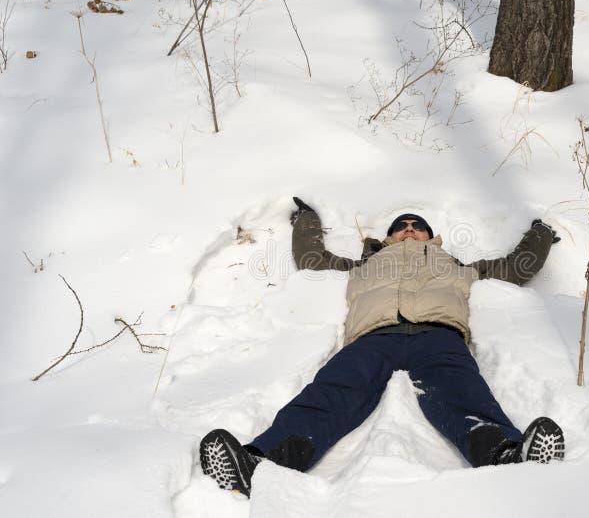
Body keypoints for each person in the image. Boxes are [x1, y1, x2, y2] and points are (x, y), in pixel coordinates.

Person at [199, 198, 565, 497]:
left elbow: (516, 267)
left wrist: (542, 234)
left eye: (416, 225)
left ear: (429, 236)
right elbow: (312, 260)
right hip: (373, 339)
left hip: (438, 337)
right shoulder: (365, 264)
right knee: (330, 394)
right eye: (401, 226)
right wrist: (307, 220)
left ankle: (509, 457)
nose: (409, 229)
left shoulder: (455, 264)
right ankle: (259, 465)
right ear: (388, 238)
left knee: (464, 394)